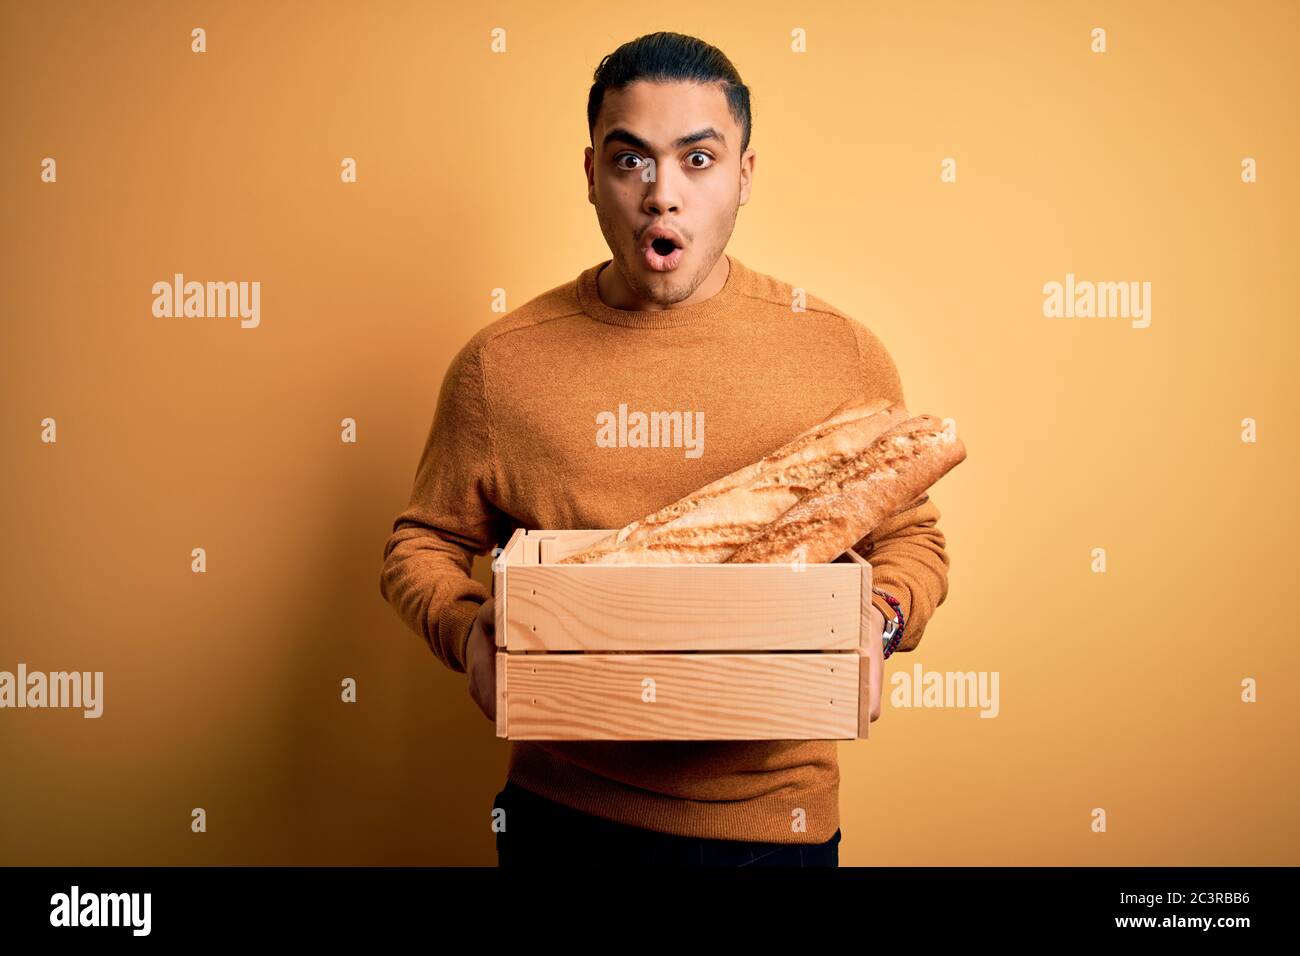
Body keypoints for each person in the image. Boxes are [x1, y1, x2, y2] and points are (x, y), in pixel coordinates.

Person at [379, 31, 951, 868]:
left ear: (745, 175)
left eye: (697, 160)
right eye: (630, 161)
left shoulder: (840, 355)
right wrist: (468, 635)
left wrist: (881, 619)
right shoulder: (501, 366)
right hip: (564, 822)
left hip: (776, 830)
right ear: (590, 176)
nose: (661, 196)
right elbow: (420, 543)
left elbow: (912, 541)